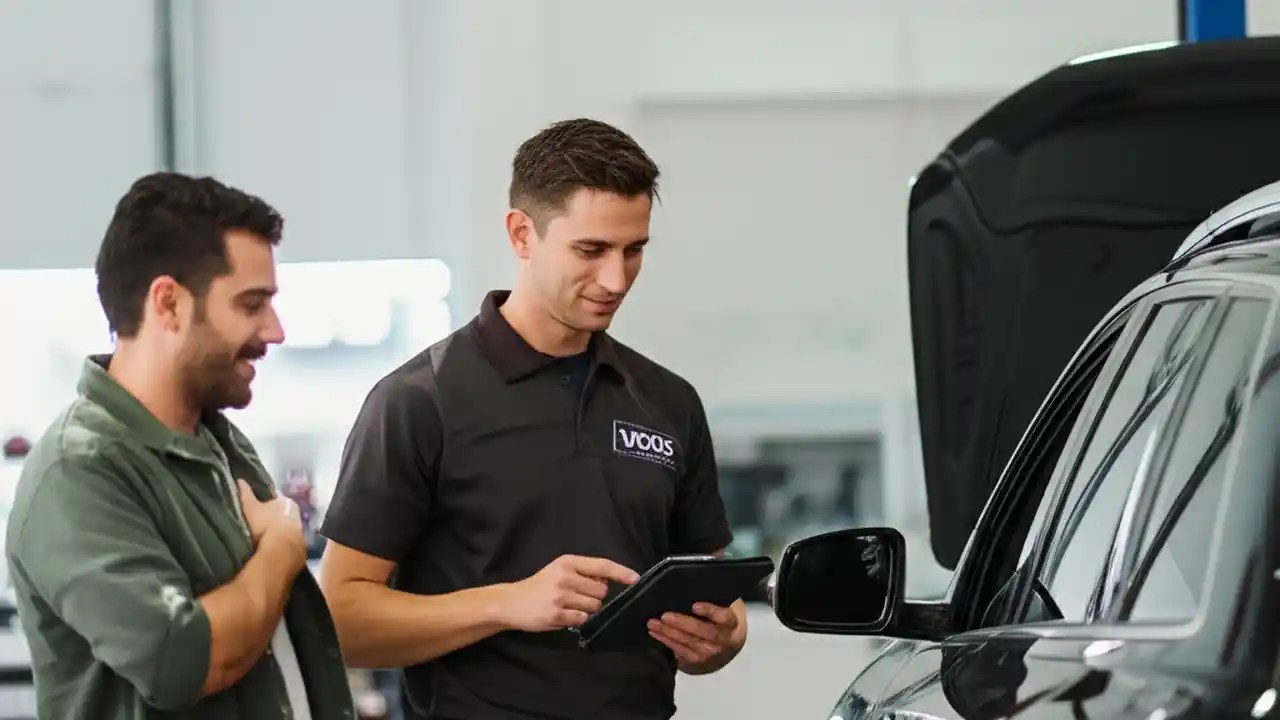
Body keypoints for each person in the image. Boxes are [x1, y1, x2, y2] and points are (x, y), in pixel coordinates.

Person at [318, 118, 747, 719]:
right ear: (522, 234)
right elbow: (339, 621)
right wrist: (507, 603)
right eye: (591, 250)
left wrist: (719, 640)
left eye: (634, 250)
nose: (616, 279)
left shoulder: (669, 402)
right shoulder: (419, 401)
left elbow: (717, 602)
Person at [4, 172, 354, 719]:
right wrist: (283, 547)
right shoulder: (79, 471)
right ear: (167, 303)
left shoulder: (217, 440)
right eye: (251, 304)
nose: (276, 330)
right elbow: (188, 661)